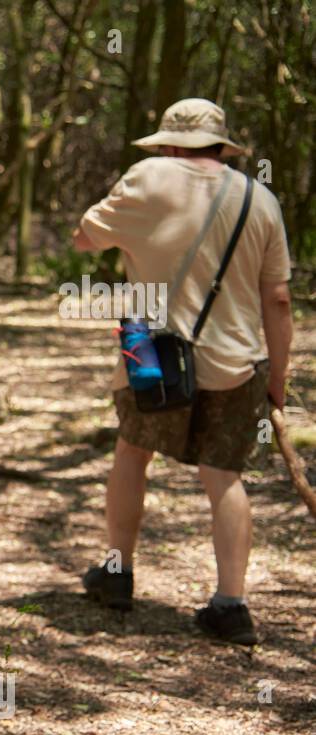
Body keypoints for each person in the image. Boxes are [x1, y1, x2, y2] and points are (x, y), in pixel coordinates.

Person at [72, 98, 294, 645]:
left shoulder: (147, 177)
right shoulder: (259, 198)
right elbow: (280, 300)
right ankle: (231, 605)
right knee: (224, 476)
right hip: (237, 361)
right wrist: (278, 381)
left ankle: (118, 576)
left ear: (170, 143)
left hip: (152, 354)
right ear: (221, 145)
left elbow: (85, 235)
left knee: (132, 452)